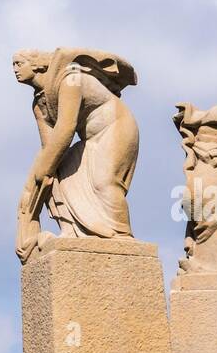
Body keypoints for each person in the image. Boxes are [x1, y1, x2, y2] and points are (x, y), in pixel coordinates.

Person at [13, 48, 140, 262]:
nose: (15, 70)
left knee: (104, 183)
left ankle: (121, 236)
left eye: (19, 63)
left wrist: (44, 168)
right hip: (88, 140)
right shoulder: (38, 105)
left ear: (37, 64)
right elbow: (49, 148)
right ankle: (72, 231)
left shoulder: (69, 79)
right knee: (57, 176)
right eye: (13, 65)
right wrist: (33, 187)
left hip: (115, 128)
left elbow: (66, 129)